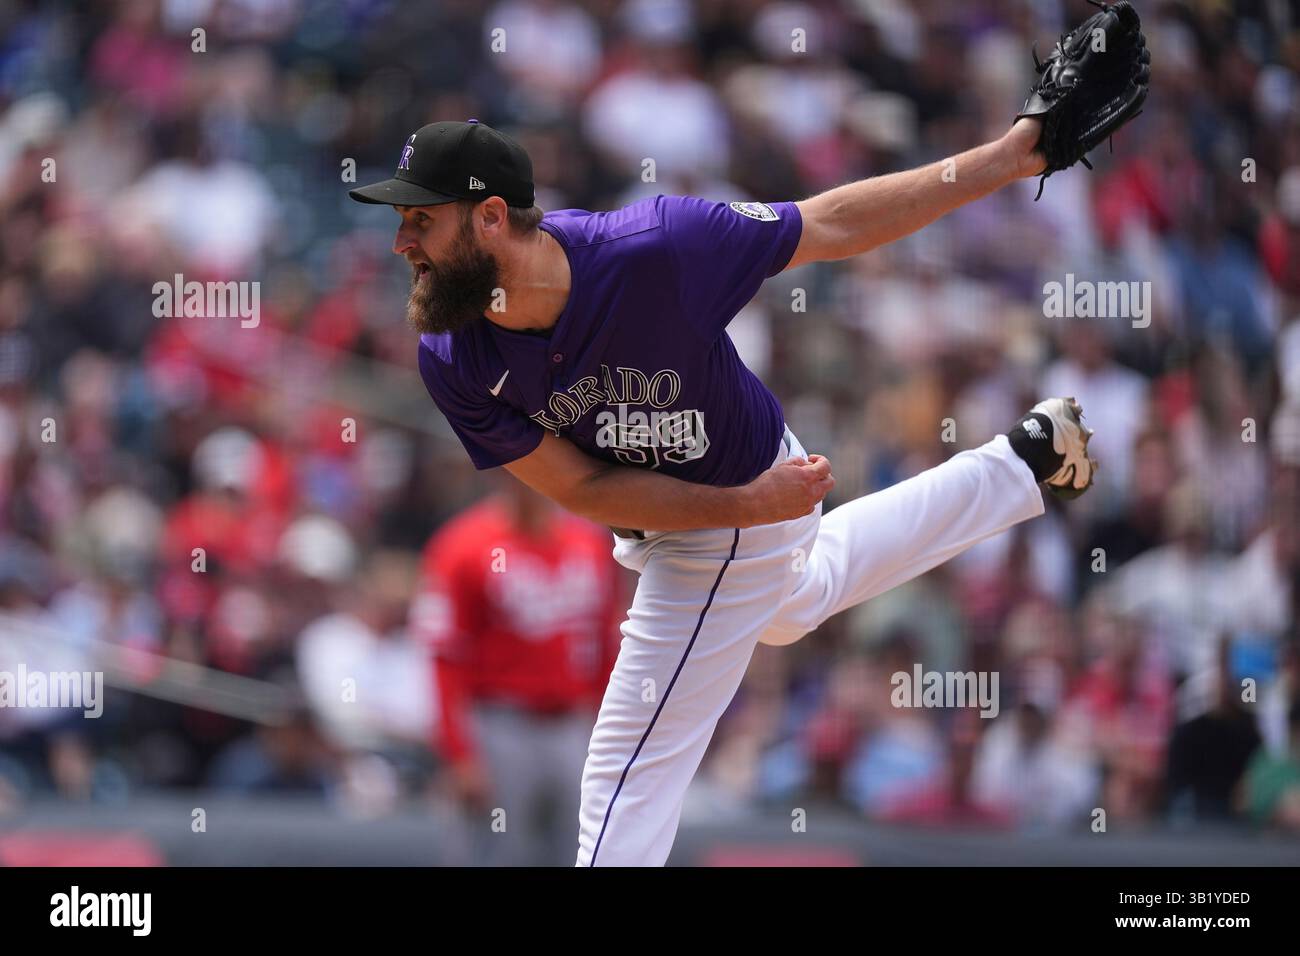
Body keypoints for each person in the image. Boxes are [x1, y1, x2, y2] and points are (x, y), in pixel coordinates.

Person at [349, 115, 1097, 866]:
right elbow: (582, 487)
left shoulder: (657, 249)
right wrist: (751, 508)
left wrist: (1006, 158)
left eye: (422, 219)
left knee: (625, 769)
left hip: (736, 489)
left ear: (490, 217)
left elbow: (831, 222)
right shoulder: (452, 354)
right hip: (716, 507)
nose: (400, 242)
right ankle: (1025, 460)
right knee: (801, 598)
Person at [412, 477, 621, 864]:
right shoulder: (463, 545)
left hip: (574, 725)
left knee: (587, 850)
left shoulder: (588, 543)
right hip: (498, 725)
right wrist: (459, 754)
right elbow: (444, 659)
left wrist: (611, 729)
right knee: (497, 851)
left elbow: (610, 647)